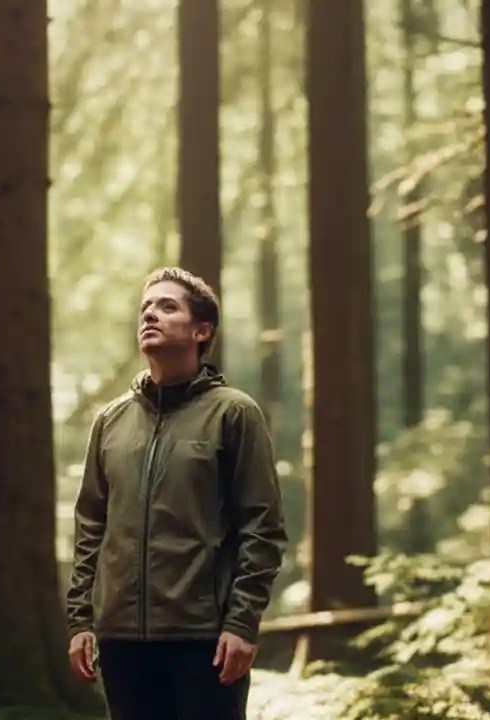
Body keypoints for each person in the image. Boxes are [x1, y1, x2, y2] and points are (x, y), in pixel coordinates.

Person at [66, 266, 287, 720]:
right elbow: (91, 523)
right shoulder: (111, 421)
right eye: (146, 307)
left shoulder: (234, 414)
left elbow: (262, 527)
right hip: (121, 639)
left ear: (201, 331)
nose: (151, 314)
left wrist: (242, 623)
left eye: (168, 306)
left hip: (203, 640)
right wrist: (81, 621)